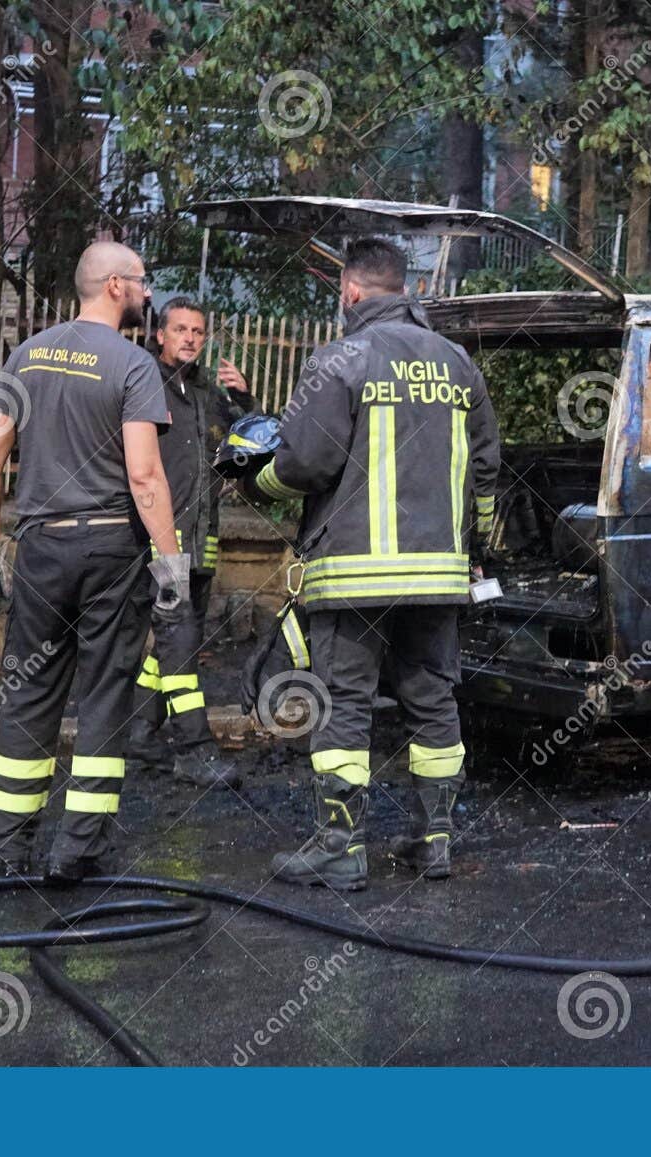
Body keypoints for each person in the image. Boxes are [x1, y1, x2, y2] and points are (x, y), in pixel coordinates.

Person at [244, 237, 499, 891]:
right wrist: (479, 548)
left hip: (354, 577)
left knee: (345, 706)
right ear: (405, 288)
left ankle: (340, 848)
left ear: (351, 291)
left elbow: (305, 462)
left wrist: (257, 481)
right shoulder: (457, 363)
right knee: (432, 702)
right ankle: (433, 843)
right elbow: (488, 469)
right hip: (440, 577)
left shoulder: (340, 359)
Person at [0, 240, 190, 884]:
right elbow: (145, 475)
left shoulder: (25, 354)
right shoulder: (133, 365)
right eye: (143, 282)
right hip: (112, 548)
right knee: (104, 692)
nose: (149, 294)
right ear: (115, 285)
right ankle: (77, 851)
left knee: (30, 690)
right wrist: (169, 563)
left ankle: (8, 846)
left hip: (41, 549)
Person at [125, 297, 257, 788]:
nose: (189, 338)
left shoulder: (207, 392)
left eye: (198, 332)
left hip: (203, 540)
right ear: (160, 335)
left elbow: (251, 447)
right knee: (180, 647)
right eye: (179, 329)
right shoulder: (144, 383)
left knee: (174, 646)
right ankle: (195, 750)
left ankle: (138, 733)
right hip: (162, 540)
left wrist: (245, 401)